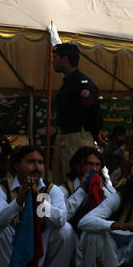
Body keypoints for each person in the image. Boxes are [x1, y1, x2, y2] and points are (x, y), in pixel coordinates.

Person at [0, 144, 76, 267]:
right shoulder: (1, 190)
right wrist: (18, 201)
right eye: (31, 162)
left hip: (41, 244)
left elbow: (61, 219)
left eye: (40, 162)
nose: (37, 167)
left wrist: (40, 200)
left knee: (65, 229)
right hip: (13, 245)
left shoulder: (52, 189)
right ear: (16, 165)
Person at [50, 43, 103, 185]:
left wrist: (96, 131)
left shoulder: (82, 83)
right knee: (60, 184)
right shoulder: (67, 82)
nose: (52, 61)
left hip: (77, 138)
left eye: (55, 57)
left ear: (65, 59)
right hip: (64, 138)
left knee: (75, 183)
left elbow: (93, 111)